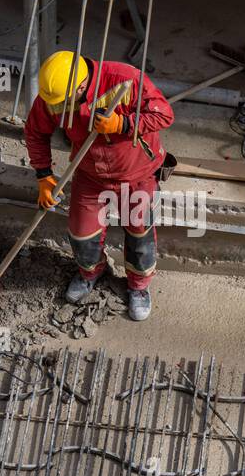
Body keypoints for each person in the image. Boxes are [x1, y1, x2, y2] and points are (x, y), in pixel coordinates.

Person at [24, 51, 173, 321]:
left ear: (81, 87)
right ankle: (91, 273)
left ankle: (138, 287)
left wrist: (123, 123)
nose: (59, 107)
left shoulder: (124, 80)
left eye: (65, 101)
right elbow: (35, 131)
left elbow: (164, 115)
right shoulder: (55, 95)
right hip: (91, 174)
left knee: (140, 234)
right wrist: (43, 175)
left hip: (136, 173)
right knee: (82, 234)